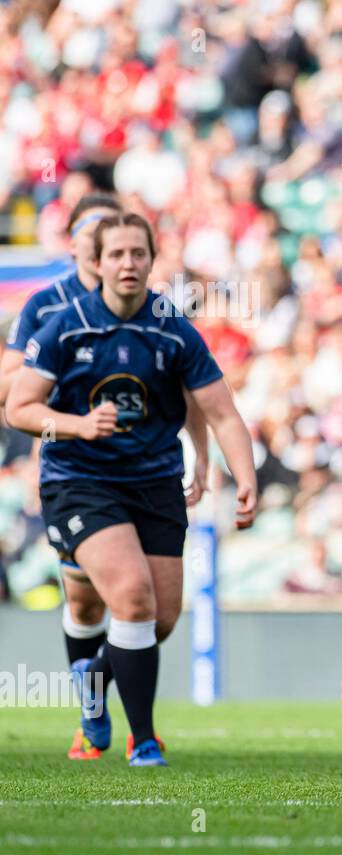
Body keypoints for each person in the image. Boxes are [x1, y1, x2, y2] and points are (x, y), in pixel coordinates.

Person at [5, 213, 257, 766]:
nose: (128, 263)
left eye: (138, 253)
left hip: (155, 482)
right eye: (116, 254)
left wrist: (244, 475)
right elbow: (19, 408)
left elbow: (219, 409)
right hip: (81, 482)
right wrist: (77, 425)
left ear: (151, 259)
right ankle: (143, 740)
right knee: (133, 598)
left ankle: (94, 680)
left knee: (158, 620)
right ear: (97, 262)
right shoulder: (64, 327)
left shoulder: (172, 328)